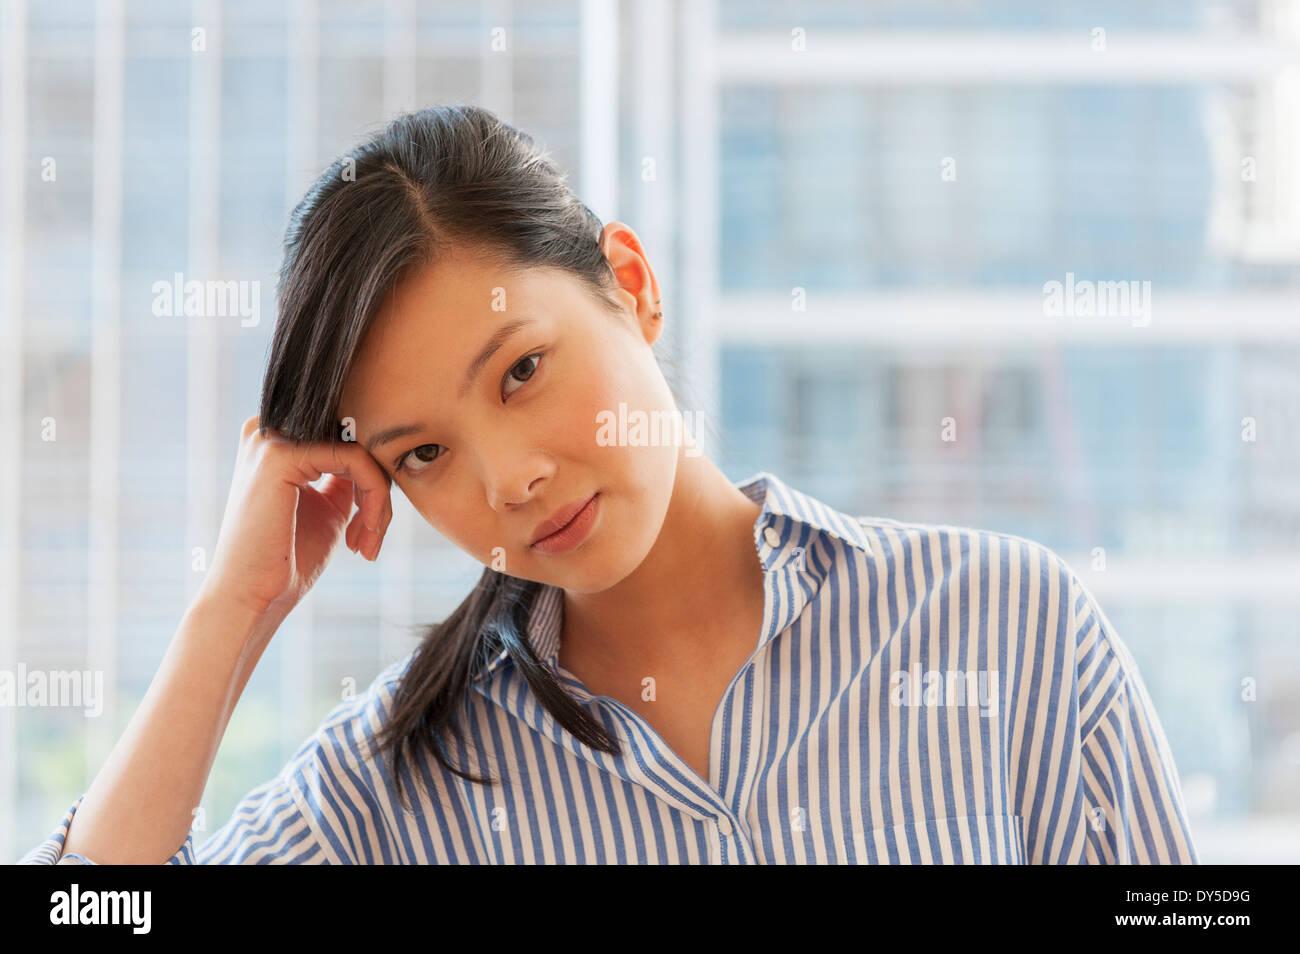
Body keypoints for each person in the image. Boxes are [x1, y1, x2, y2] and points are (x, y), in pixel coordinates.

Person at [21, 104, 1198, 865]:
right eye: (422, 454)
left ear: (627, 283)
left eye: (522, 371)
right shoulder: (397, 782)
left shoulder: (1009, 630)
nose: (513, 478)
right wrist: (233, 609)